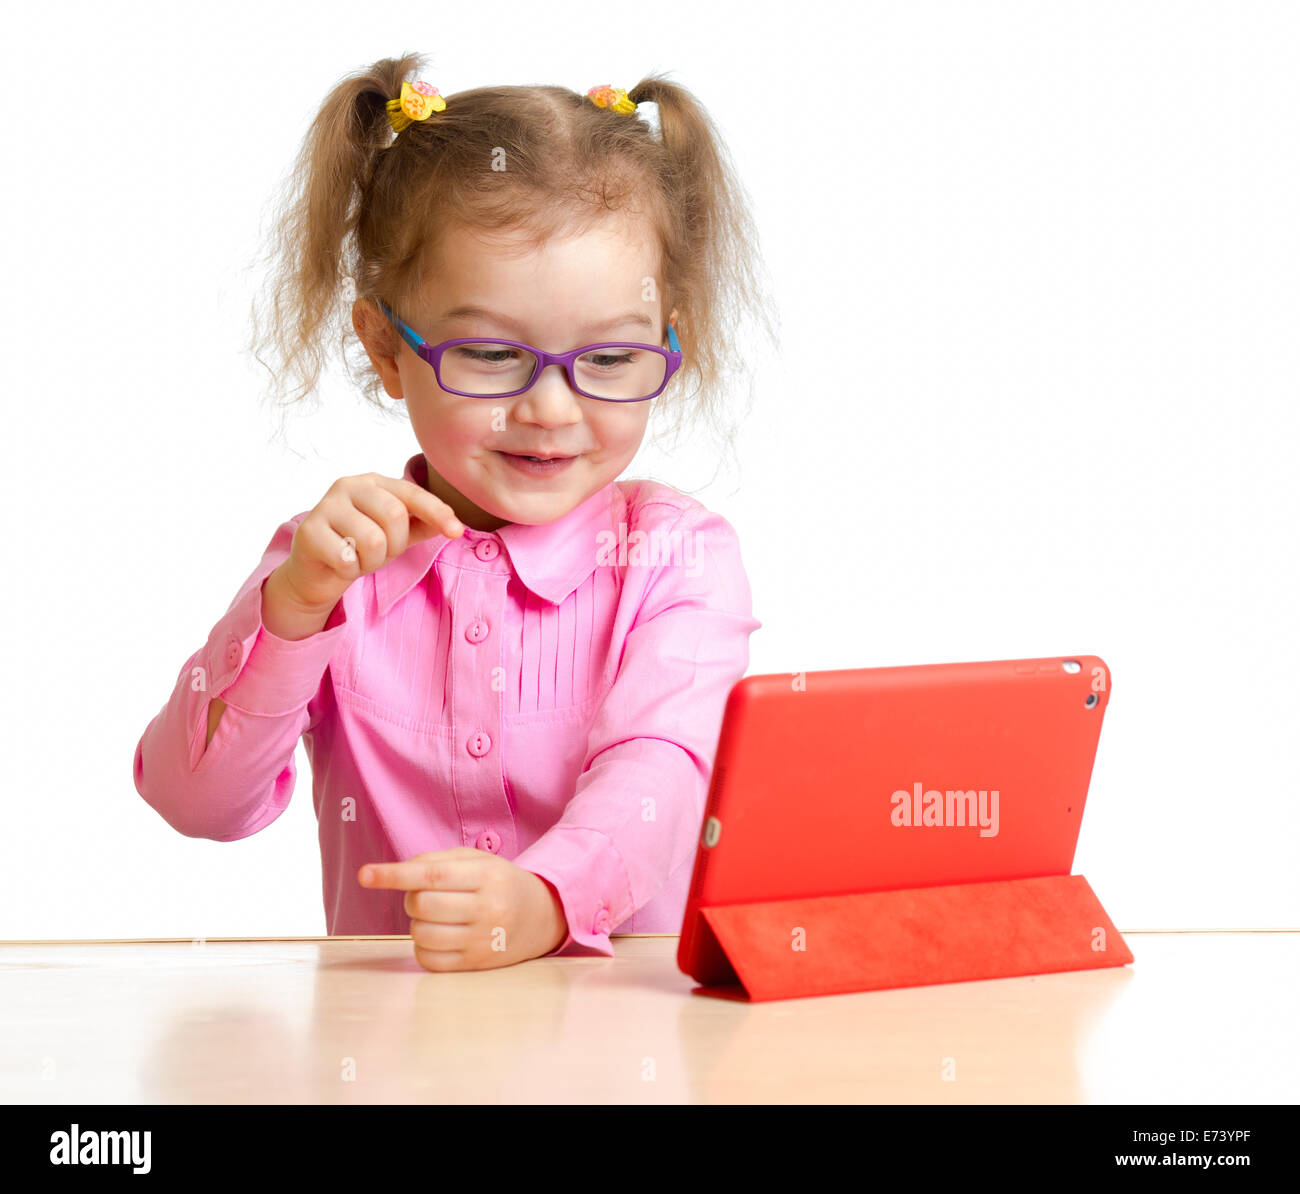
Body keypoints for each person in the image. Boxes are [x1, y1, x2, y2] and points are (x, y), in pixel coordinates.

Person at [133, 54, 775, 971]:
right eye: (487, 354)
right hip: (392, 1048)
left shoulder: (676, 557)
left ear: (667, 338)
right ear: (387, 347)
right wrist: (292, 607)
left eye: (609, 360)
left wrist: (546, 900)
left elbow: (664, 770)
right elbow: (196, 803)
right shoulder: (333, 560)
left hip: (627, 1046)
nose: (551, 410)